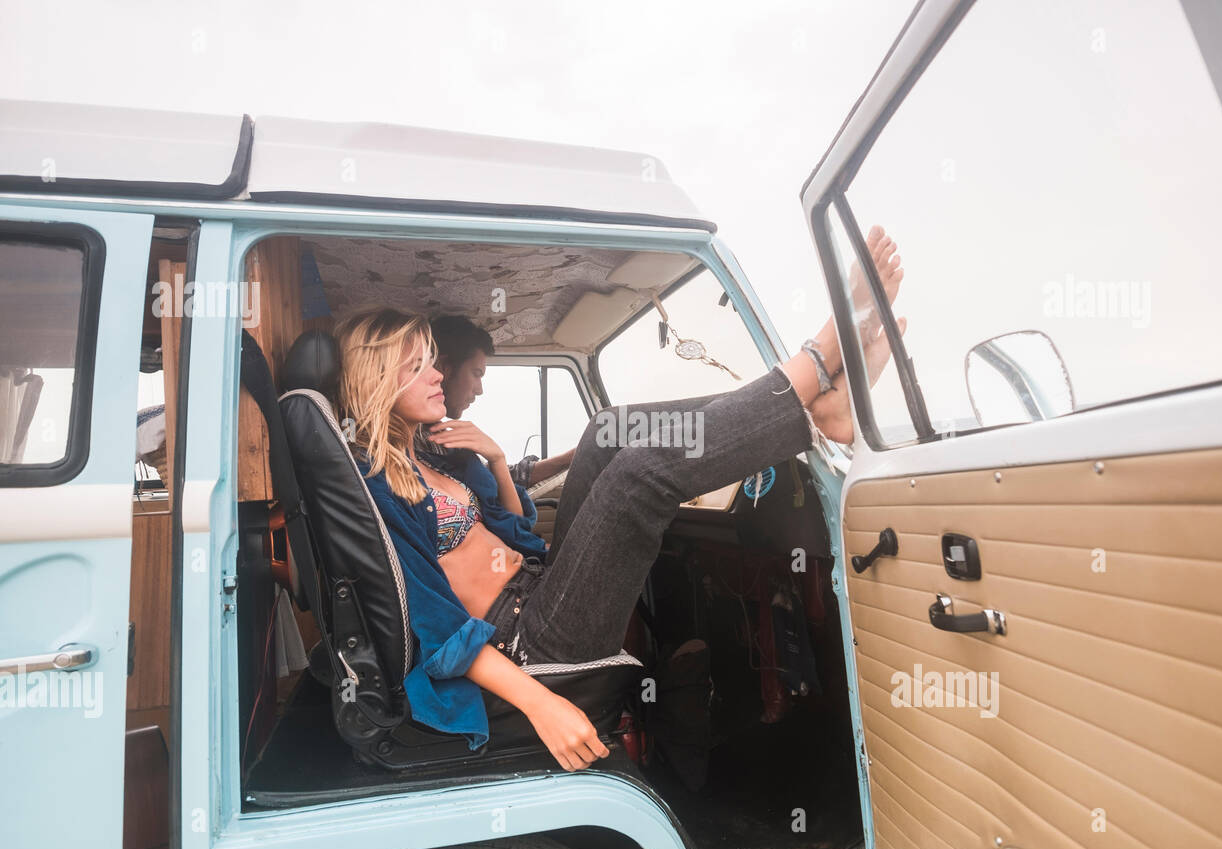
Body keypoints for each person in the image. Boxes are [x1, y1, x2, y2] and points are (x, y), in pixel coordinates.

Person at [336, 229, 906, 773]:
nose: (439, 375)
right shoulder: (377, 487)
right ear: (378, 381)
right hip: (526, 643)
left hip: (537, 584)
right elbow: (437, 629)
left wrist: (493, 460)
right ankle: (814, 375)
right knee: (638, 477)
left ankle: (814, 406)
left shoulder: (435, 453)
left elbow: (517, 538)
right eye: (418, 367)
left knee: (609, 429)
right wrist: (541, 703)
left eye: (434, 361)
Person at [428, 313, 574, 487]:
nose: (479, 390)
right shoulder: (413, 443)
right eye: (476, 374)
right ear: (446, 368)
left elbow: (501, 477)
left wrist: (567, 459)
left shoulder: (437, 436)